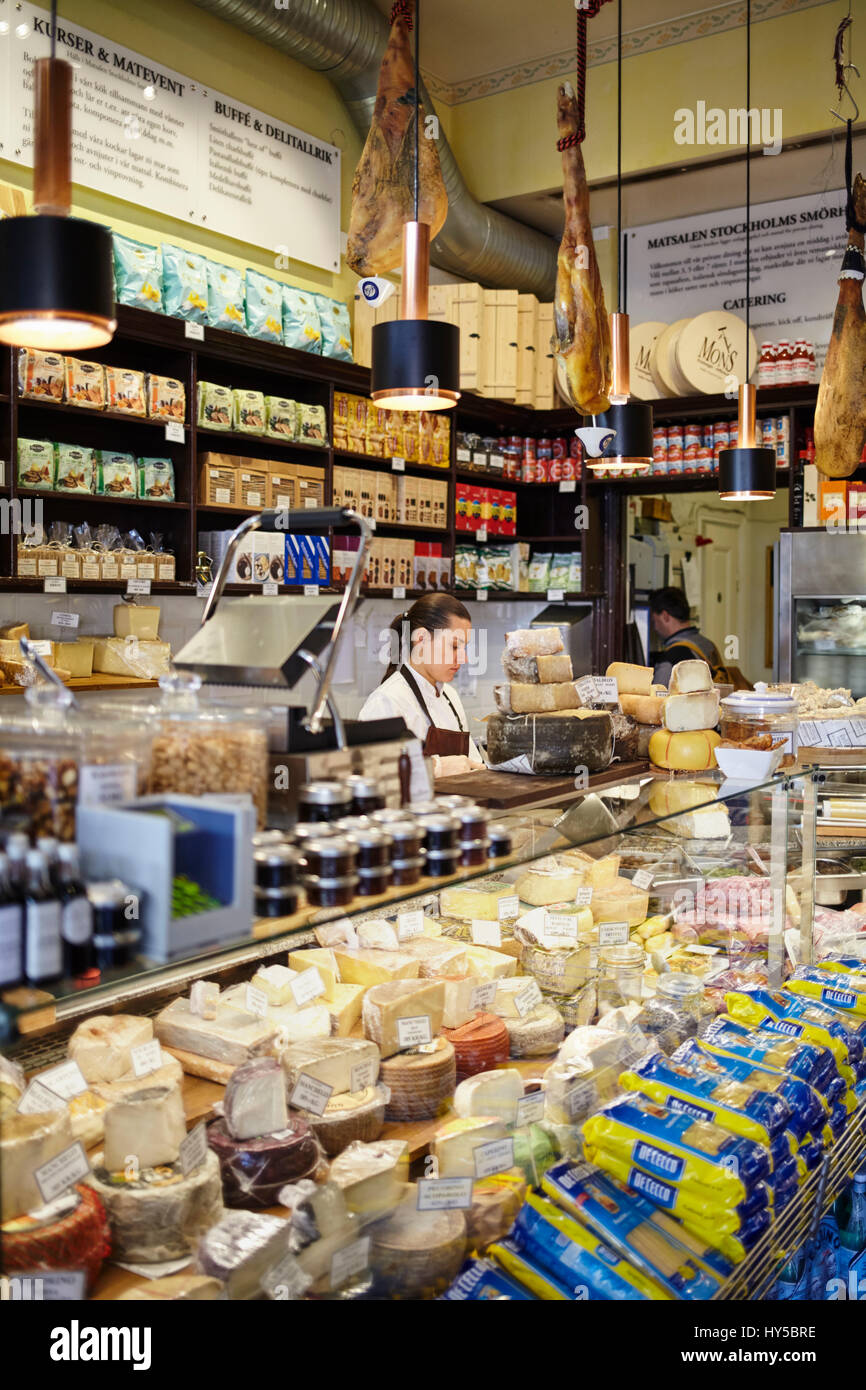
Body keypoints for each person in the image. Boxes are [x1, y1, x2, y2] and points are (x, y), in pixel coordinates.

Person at [358, 593, 484, 776]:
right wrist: (435, 768)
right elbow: (372, 773)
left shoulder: (450, 695)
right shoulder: (387, 701)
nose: (463, 658)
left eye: (464, 648)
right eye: (455, 646)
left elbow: (474, 764)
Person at [649, 586, 725, 688]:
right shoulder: (709, 645)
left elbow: (656, 699)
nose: (655, 628)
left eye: (654, 621)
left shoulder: (671, 660)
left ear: (665, 616)